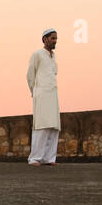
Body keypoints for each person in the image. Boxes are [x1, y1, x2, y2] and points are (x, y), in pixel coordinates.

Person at [26, 28, 60, 165]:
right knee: (42, 126)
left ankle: (49, 158)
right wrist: (34, 92)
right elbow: (30, 75)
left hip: (53, 95)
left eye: (56, 38)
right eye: (52, 38)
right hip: (41, 95)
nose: (55, 41)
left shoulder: (53, 56)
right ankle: (34, 158)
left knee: (53, 127)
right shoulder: (37, 54)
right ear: (45, 39)